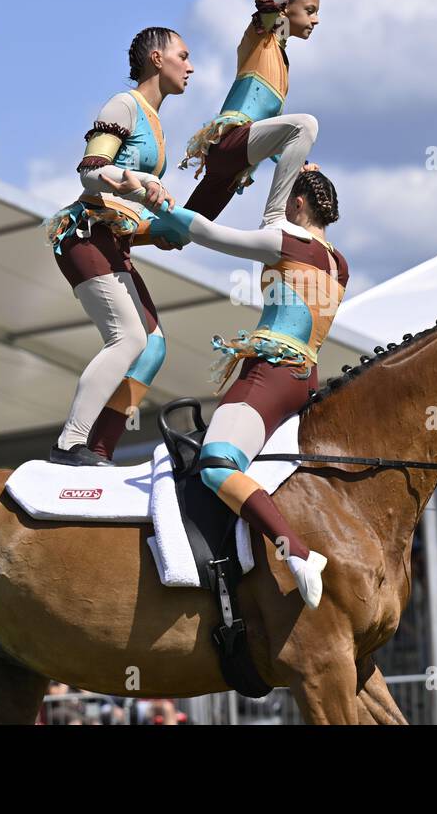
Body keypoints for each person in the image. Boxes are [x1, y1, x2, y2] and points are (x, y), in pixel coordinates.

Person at [145, 169, 346, 607]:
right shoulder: (339, 262)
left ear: (295, 205)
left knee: (217, 464)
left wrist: (159, 205)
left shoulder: (286, 242)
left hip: (271, 373)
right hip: (306, 379)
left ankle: (296, 551)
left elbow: (208, 233)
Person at [43, 27, 193, 466]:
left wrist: (154, 233)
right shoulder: (123, 105)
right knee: (126, 337)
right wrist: (140, 180)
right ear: (155, 58)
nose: (190, 65)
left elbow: (125, 211)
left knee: (152, 345)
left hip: (114, 241)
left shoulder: (155, 119)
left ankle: (100, 449)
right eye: (182, 55)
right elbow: (91, 172)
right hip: (85, 235)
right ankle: (71, 443)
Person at [180, 0, 340, 227]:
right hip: (230, 144)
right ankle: (274, 217)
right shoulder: (262, 35)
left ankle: (126, 234)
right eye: (309, 10)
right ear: (285, 9)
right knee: (306, 124)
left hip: (236, 165)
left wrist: (300, 164)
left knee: (185, 230)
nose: (316, 19)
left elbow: (275, 139)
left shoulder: (282, 62)